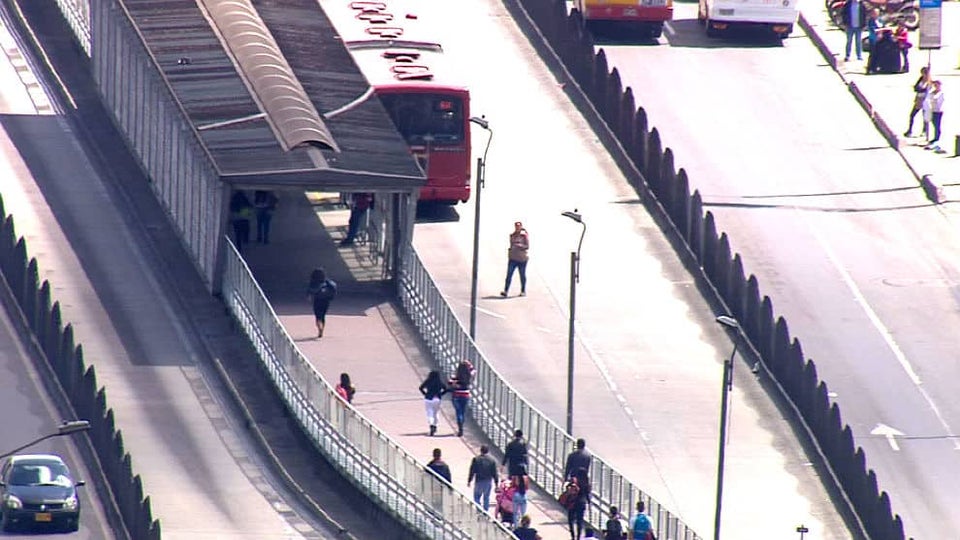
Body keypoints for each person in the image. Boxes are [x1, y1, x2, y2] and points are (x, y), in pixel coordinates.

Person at [500, 221, 529, 297]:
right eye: (516, 226)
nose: (517, 228)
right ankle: (506, 291)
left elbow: (527, 246)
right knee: (509, 275)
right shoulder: (512, 235)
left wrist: (519, 245)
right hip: (513, 258)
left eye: (518, 226)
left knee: (522, 275)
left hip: (522, 259)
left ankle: (523, 291)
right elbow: (512, 244)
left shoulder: (524, 236)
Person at [307, 267, 337, 338]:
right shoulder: (327, 281)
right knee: (323, 316)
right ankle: (322, 329)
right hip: (326, 301)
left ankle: (319, 326)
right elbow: (333, 287)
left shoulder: (313, 282)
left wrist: (309, 296)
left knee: (318, 316)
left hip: (317, 301)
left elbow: (310, 291)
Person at [467, 445, 499, 511]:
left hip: (479, 481)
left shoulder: (476, 459)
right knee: (486, 497)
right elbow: (495, 473)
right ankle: (486, 512)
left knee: (477, 497)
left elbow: (472, 471)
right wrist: (496, 484)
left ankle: (479, 511)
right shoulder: (492, 460)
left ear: (481, 450)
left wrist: (469, 480)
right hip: (488, 481)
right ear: (488, 451)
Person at [448, 360, 474, 436]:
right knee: (462, 412)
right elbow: (473, 370)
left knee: (458, 412)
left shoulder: (456, 377)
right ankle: (461, 427)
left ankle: (460, 429)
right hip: (465, 395)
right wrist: (468, 363)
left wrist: (455, 383)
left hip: (456, 395)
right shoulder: (468, 376)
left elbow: (449, 383)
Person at [419, 370, 447, 436]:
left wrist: (425, 394)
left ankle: (431, 425)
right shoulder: (439, 382)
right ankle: (435, 425)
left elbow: (421, 388)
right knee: (436, 413)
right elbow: (445, 389)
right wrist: (441, 394)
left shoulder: (428, 381)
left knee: (430, 413)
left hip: (428, 398)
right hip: (437, 398)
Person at [905, 67, 931, 137]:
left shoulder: (929, 82)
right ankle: (910, 130)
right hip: (918, 99)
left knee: (924, 116)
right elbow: (916, 88)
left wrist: (920, 89)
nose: (923, 75)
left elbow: (926, 90)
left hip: (924, 99)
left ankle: (924, 131)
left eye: (924, 73)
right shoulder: (920, 79)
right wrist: (918, 89)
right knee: (912, 115)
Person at [566, 467, 591, 540]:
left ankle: (573, 536)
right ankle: (578, 537)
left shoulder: (574, 481)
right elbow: (587, 495)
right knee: (579, 521)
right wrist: (588, 502)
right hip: (582, 503)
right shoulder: (586, 483)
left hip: (573, 502)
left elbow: (568, 488)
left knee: (571, 520)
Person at [924, 80, 945, 151]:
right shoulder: (932, 92)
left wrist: (933, 99)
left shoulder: (941, 93)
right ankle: (935, 137)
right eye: (935, 85)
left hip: (939, 111)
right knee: (933, 124)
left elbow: (939, 101)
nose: (936, 86)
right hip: (932, 110)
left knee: (937, 125)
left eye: (937, 85)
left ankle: (937, 138)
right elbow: (928, 99)